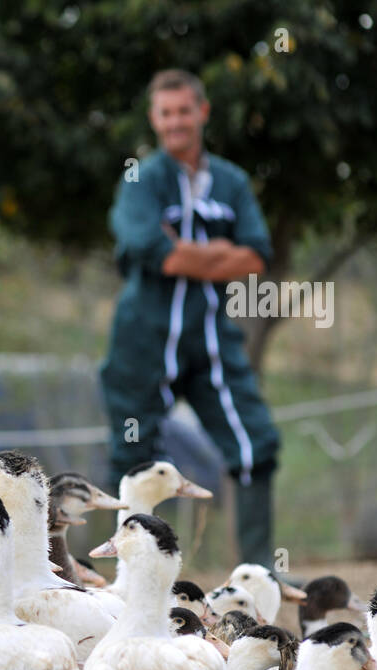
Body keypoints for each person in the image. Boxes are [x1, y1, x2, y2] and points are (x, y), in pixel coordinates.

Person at [100, 68, 279, 567]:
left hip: (211, 340)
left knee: (255, 444)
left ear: (202, 112)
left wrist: (185, 248)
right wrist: (218, 250)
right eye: (165, 113)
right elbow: (158, 255)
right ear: (155, 119)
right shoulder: (141, 177)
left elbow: (255, 257)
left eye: (184, 110)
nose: (175, 121)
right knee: (134, 460)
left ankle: (259, 577)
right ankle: (137, 576)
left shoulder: (232, 181)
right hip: (143, 340)